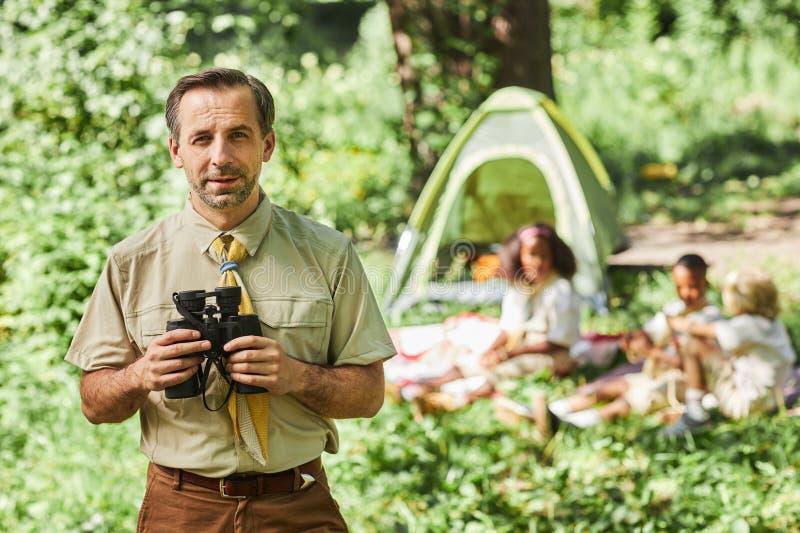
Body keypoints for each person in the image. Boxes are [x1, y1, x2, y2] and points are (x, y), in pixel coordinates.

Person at [65, 67, 396, 532]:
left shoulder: (329, 255)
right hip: (180, 509)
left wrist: (295, 376)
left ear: (267, 145)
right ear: (176, 151)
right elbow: (94, 404)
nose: (220, 157)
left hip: (297, 507)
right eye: (201, 139)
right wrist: (142, 375)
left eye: (238, 135)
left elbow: (369, 395)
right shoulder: (130, 262)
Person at [412, 223, 582, 406]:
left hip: (551, 354)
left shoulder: (560, 289)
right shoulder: (519, 288)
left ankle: (455, 402)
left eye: (544, 256)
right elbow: (508, 328)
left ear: (554, 257)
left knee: (504, 370)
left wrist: (508, 354)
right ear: (519, 256)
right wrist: (490, 351)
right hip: (516, 347)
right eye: (532, 255)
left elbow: (557, 341)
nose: (538, 262)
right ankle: (425, 387)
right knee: (474, 361)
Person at [549, 253, 721, 427]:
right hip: (655, 372)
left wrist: (651, 351)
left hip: (681, 380)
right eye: (679, 287)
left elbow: (694, 367)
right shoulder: (675, 308)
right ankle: (555, 409)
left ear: (705, 282)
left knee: (631, 400)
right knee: (615, 385)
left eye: (692, 286)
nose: (685, 294)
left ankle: (573, 424)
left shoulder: (710, 320)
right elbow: (650, 331)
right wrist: (634, 338)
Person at [663, 268, 796, 436]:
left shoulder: (746, 325)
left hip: (746, 405)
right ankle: (701, 404)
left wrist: (673, 322)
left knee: (693, 344)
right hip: (772, 400)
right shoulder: (773, 324)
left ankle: (695, 415)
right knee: (710, 349)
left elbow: (696, 329)